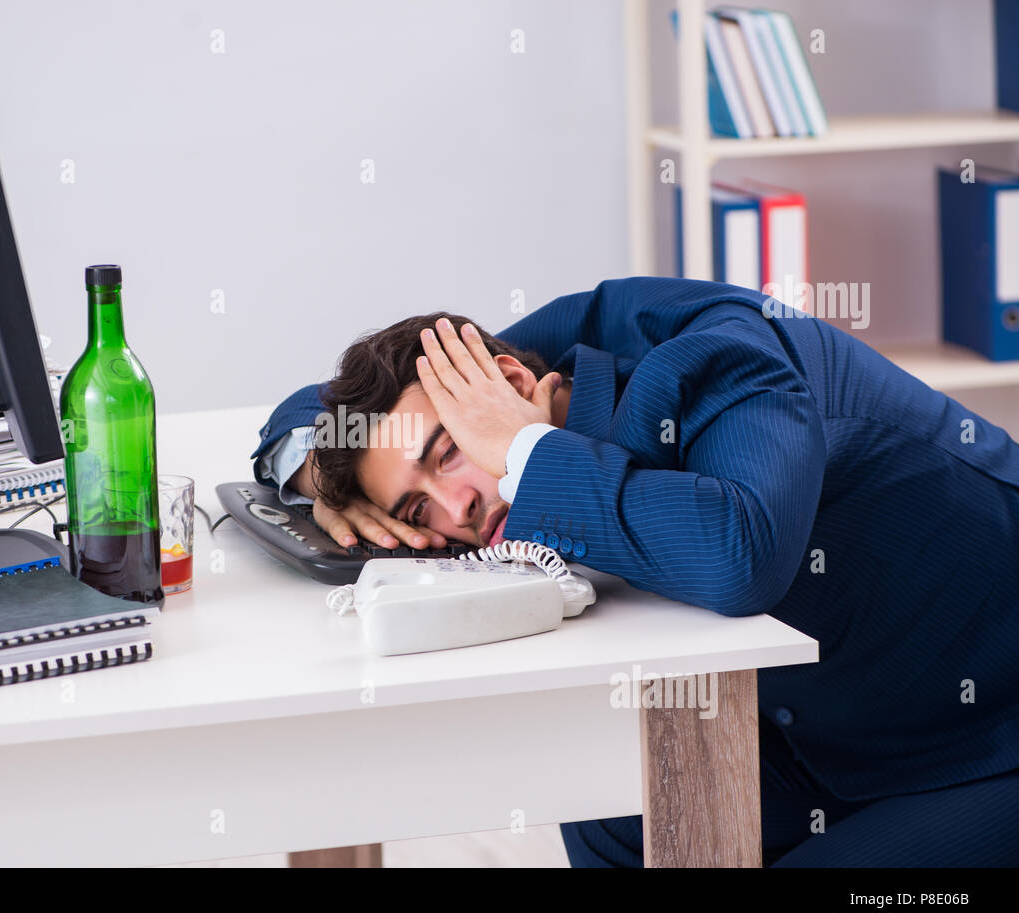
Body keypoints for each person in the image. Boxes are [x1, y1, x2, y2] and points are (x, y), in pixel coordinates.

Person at [250, 276, 1019, 866]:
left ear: (510, 388)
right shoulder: (503, 379)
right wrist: (324, 471)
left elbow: (739, 555)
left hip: (988, 734)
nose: (456, 509)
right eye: (418, 511)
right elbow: (302, 407)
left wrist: (523, 455)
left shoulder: (721, 354)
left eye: (449, 456)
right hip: (831, 732)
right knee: (613, 805)